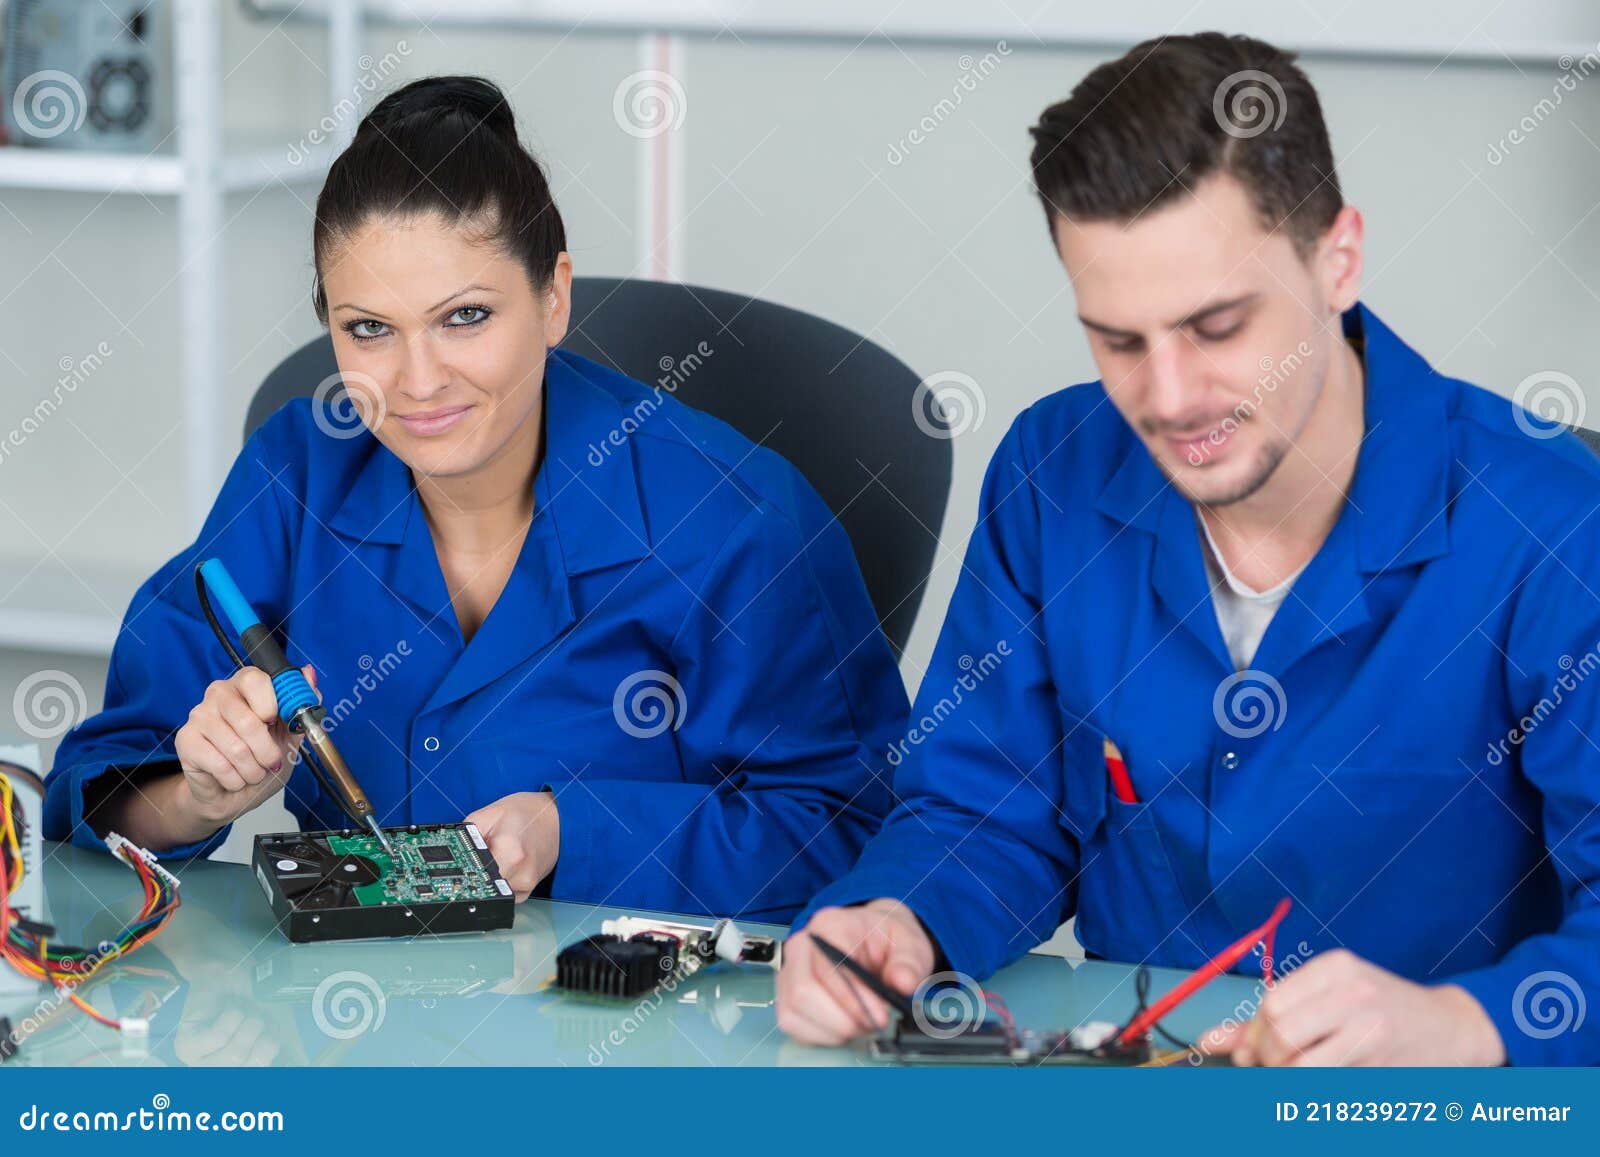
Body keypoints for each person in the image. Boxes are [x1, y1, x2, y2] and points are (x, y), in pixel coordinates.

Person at [778, 33, 1600, 1065]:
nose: (1168, 401)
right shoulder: (1052, 472)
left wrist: (1470, 1022)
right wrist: (898, 919)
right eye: (1119, 340)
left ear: (1336, 258)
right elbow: (985, 809)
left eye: (1217, 326)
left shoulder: (1556, 527)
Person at [43, 76, 908, 922]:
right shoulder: (297, 474)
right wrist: (198, 795)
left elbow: (851, 830)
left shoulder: (734, 521)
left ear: (554, 296)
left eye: (465, 317)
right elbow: (98, 792)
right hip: (348, 1021)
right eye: (369, 329)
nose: (418, 382)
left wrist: (574, 831)